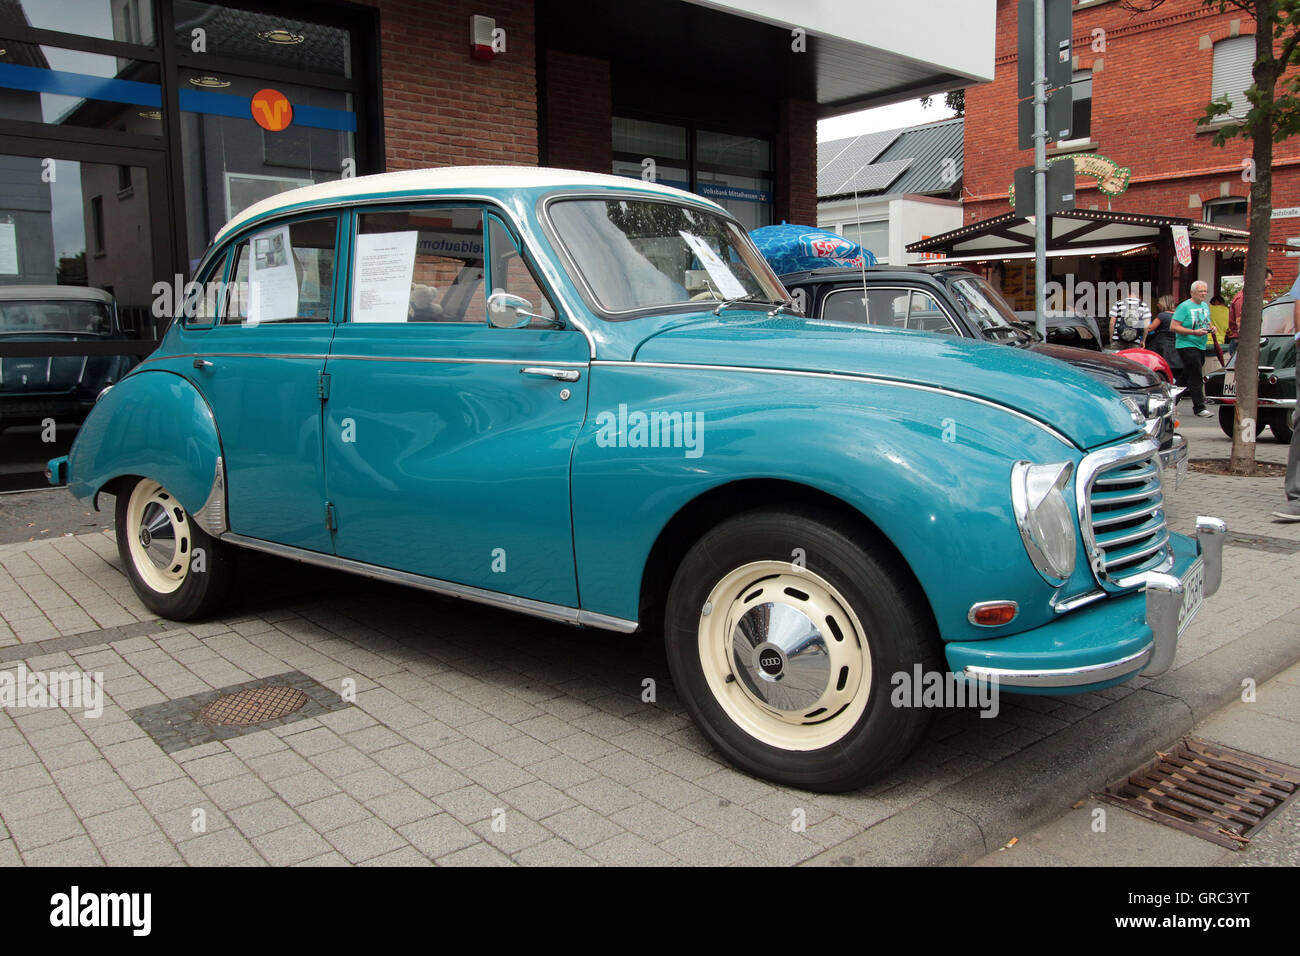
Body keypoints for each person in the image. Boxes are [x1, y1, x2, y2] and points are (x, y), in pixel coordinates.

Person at [1171, 280, 1213, 417]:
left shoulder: (1205, 306)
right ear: (1192, 292)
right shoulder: (1184, 307)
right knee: (1196, 375)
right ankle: (1199, 407)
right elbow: (1173, 327)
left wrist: (1211, 328)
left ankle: (1169, 403)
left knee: (1186, 376)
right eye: (1201, 291)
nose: (1204, 294)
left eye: (1205, 291)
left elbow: (1206, 322)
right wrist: (1193, 332)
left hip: (1201, 344)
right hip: (1186, 345)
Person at [1143, 293, 1179, 370]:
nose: (1157, 305)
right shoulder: (1177, 315)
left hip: (1162, 345)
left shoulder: (1162, 315)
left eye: (1159, 303)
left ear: (1163, 304)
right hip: (1175, 345)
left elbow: (1149, 329)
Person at [1207, 293, 1230, 368]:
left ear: (1215, 302)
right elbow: (1229, 331)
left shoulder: (1207, 309)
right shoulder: (1227, 311)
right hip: (1219, 345)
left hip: (1204, 343)